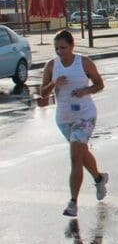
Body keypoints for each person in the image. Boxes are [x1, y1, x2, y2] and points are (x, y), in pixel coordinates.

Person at [38, 30, 108, 217]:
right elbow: (43, 93)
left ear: (72, 46)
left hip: (85, 115)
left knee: (75, 156)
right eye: (57, 48)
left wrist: (86, 90)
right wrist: (54, 83)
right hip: (64, 117)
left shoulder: (83, 62)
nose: (60, 52)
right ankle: (99, 178)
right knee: (81, 154)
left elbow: (99, 84)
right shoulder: (51, 66)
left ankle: (73, 202)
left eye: (64, 48)